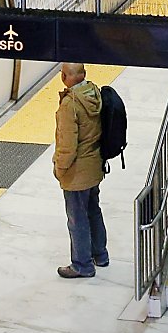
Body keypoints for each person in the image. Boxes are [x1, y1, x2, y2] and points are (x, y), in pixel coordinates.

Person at [53, 62, 107, 279]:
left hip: (77, 172)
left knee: (77, 218)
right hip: (94, 164)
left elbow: (67, 145)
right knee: (93, 209)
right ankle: (100, 254)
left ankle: (82, 265)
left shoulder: (70, 105)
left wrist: (60, 168)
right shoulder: (93, 92)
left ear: (65, 76)